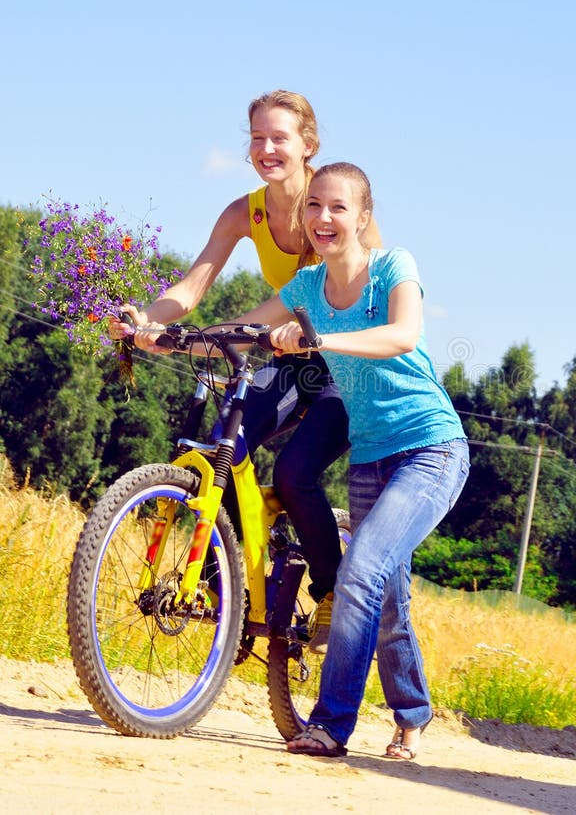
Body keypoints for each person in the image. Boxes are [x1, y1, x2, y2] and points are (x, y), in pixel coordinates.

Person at [136, 162, 469, 759]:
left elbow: (403, 335)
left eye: (338, 208)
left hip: (431, 450)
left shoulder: (393, 267)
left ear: (362, 218)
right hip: (369, 457)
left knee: (361, 576)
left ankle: (331, 725)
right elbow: (242, 328)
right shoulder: (308, 288)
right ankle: (413, 714)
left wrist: (319, 340)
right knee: (385, 594)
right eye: (314, 206)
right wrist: (169, 334)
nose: (323, 217)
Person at [110, 92, 380, 650]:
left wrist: (316, 334)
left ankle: (330, 590)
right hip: (287, 363)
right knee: (221, 451)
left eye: (279, 138)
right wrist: (146, 322)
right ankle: (228, 585)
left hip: (342, 372)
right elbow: (189, 290)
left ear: (308, 145)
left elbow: (371, 293)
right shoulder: (245, 213)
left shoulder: (333, 203)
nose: (265, 148)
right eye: (257, 138)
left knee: (294, 472)